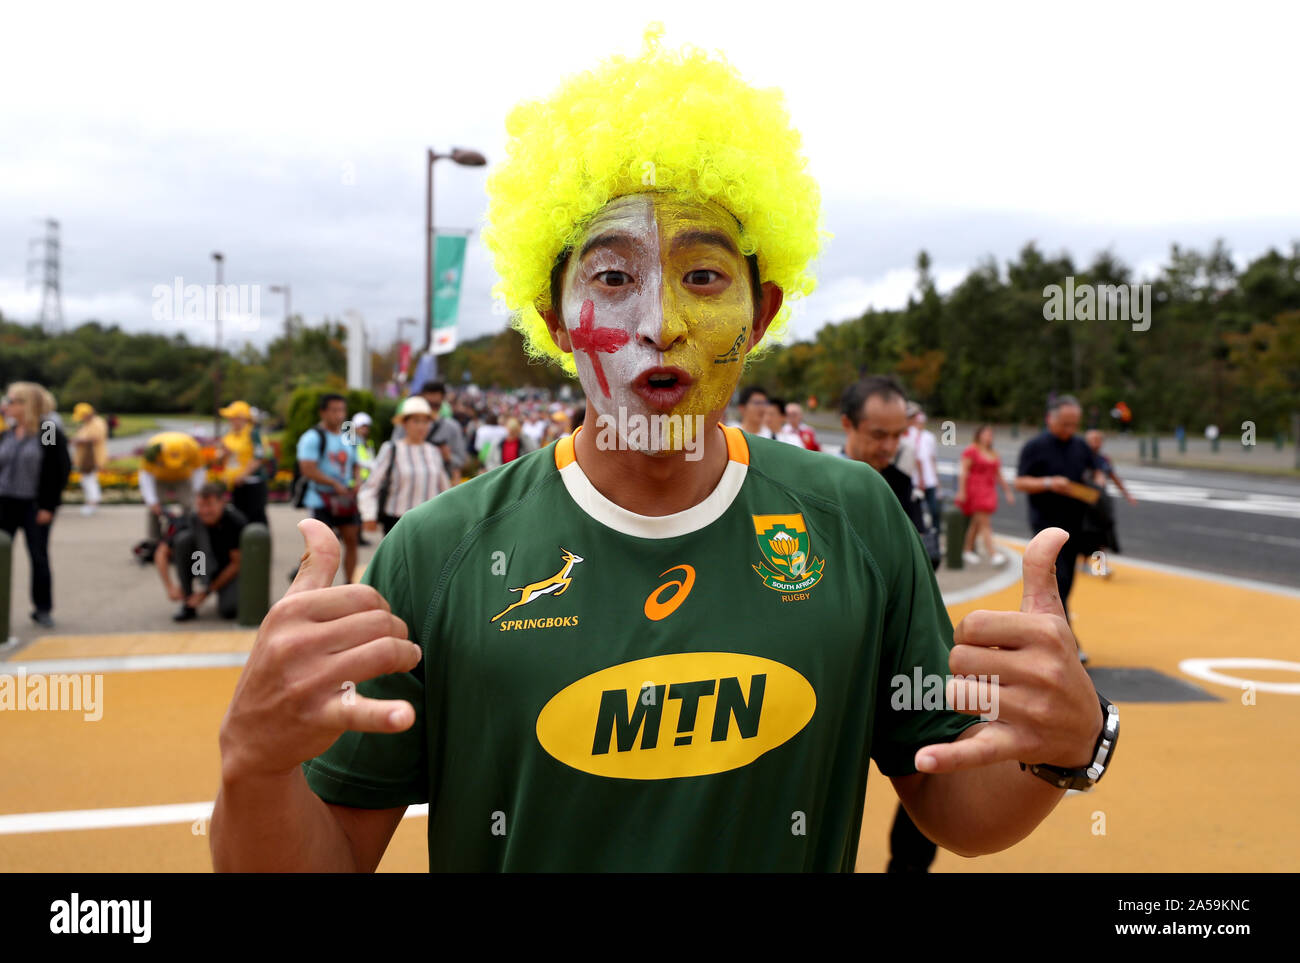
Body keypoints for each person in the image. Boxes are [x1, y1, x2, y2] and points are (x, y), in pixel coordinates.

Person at [212, 32, 1114, 873]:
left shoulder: (855, 519)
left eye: (704, 277)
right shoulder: (437, 552)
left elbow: (951, 805)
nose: (659, 323)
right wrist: (252, 765)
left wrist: (1064, 749)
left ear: (760, 313)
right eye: (613, 277)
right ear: (556, 317)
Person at [838, 376, 944, 873]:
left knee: (934, 759)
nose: (888, 446)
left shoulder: (902, 488)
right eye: (878, 435)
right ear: (847, 427)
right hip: (836, 663)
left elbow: (925, 570)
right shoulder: (806, 489)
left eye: (897, 436)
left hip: (897, 656)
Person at [1014, 395, 1101, 662]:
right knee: (1057, 582)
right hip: (1046, 525)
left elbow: (1096, 469)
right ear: (1049, 419)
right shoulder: (1035, 446)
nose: (1070, 429)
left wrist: (1097, 481)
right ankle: (1067, 642)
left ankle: (1044, 637)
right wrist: (1050, 483)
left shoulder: (1080, 445)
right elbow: (1020, 482)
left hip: (1077, 525)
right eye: (1064, 423)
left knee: (1067, 583)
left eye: (1074, 424)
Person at [0, 383, 71, 628]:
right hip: (5, 502)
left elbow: (57, 470)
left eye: (11, 401)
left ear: (26, 405)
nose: (6, 405)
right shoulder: (8, 432)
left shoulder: (48, 430)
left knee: (38, 556)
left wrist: (48, 506)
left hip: (34, 505)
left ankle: (42, 608)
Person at [155, 481, 247, 622]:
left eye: (209, 505)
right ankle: (187, 600)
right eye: (200, 506)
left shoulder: (235, 521)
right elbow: (161, 553)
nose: (204, 511)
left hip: (228, 570)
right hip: (201, 566)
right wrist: (170, 587)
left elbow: (237, 564)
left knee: (230, 609)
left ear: (222, 502)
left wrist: (206, 592)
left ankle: (218, 594)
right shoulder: (190, 518)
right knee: (182, 540)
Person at [357, 397, 449, 537]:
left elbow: (444, 489)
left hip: (429, 522)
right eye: (416, 421)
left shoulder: (433, 452)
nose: (421, 426)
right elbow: (371, 485)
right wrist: (369, 515)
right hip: (397, 522)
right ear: (405, 424)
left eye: (425, 421)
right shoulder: (391, 449)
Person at [295, 393, 360, 585]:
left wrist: (357, 481)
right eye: (334, 410)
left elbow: (357, 461)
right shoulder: (312, 437)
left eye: (342, 410)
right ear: (323, 412)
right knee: (320, 548)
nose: (339, 415)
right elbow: (307, 469)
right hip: (320, 498)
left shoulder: (349, 432)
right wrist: (333, 484)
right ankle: (316, 588)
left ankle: (349, 584)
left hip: (345, 498)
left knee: (352, 541)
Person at [1079, 429, 1137, 577]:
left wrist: (1127, 494)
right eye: (1092, 440)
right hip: (1085, 502)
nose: (1095, 443)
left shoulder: (1103, 459)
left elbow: (1113, 476)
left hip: (1101, 503)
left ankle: (1099, 566)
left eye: (1098, 440)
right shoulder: (1080, 458)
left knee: (1102, 534)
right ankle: (1083, 563)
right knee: (1086, 534)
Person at [956, 425, 1015, 566]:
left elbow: (998, 474)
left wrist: (1007, 491)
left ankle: (967, 549)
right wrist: (962, 491)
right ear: (979, 435)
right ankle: (992, 553)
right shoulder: (971, 450)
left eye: (991, 435)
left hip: (988, 490)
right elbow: (964, 471)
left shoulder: (993, 453)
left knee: (976, 523)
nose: (989, 437)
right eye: (986, 434)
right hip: (976, 489)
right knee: (984, 523)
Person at [138, 430, 207, 542]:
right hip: (160, 478)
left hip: (183, 477)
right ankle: (154, 540)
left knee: (190, 506)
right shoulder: (152, 449)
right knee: (154, 510)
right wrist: (152, 501)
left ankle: (191, 535)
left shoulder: (192, 447)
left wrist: (197, 492)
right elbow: (146, 475)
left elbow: (199, 470)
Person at [217, 400, 269, 527]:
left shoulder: (253, 433)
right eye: (230, 418)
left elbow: (259, 456)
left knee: (256, 518)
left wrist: (244, 475)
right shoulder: (229, 435)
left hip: (253, 482)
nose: (231, 421)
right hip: (236, 484)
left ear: (243, 418)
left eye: (234, 418)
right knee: (239, 518)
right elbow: (222, 457)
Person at [419, 382, 467, 484]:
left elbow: (461, 460)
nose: (431, 409)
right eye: (428, 404)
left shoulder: (452, 427)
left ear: (442, 401)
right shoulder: (406, 424)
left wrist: (448, 456)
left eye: (436, 405)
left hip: (441, 484)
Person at [71, 402, 109, 515]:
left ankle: (93, 503)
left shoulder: (97, 423)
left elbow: (96, 438)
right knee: (86, 480)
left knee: (89, 480)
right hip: (86, 457)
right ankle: (90, 502)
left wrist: (78, 441)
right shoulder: (88, 423)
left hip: (93, 457)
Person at [906, 405, 939, 532]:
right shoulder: (909, 434)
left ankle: (934, 532)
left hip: (928, 479)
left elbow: (931, 458)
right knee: (915, 511)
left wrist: (936, 480)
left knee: (934, 509)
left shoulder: (929, 437)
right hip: (914, 480)